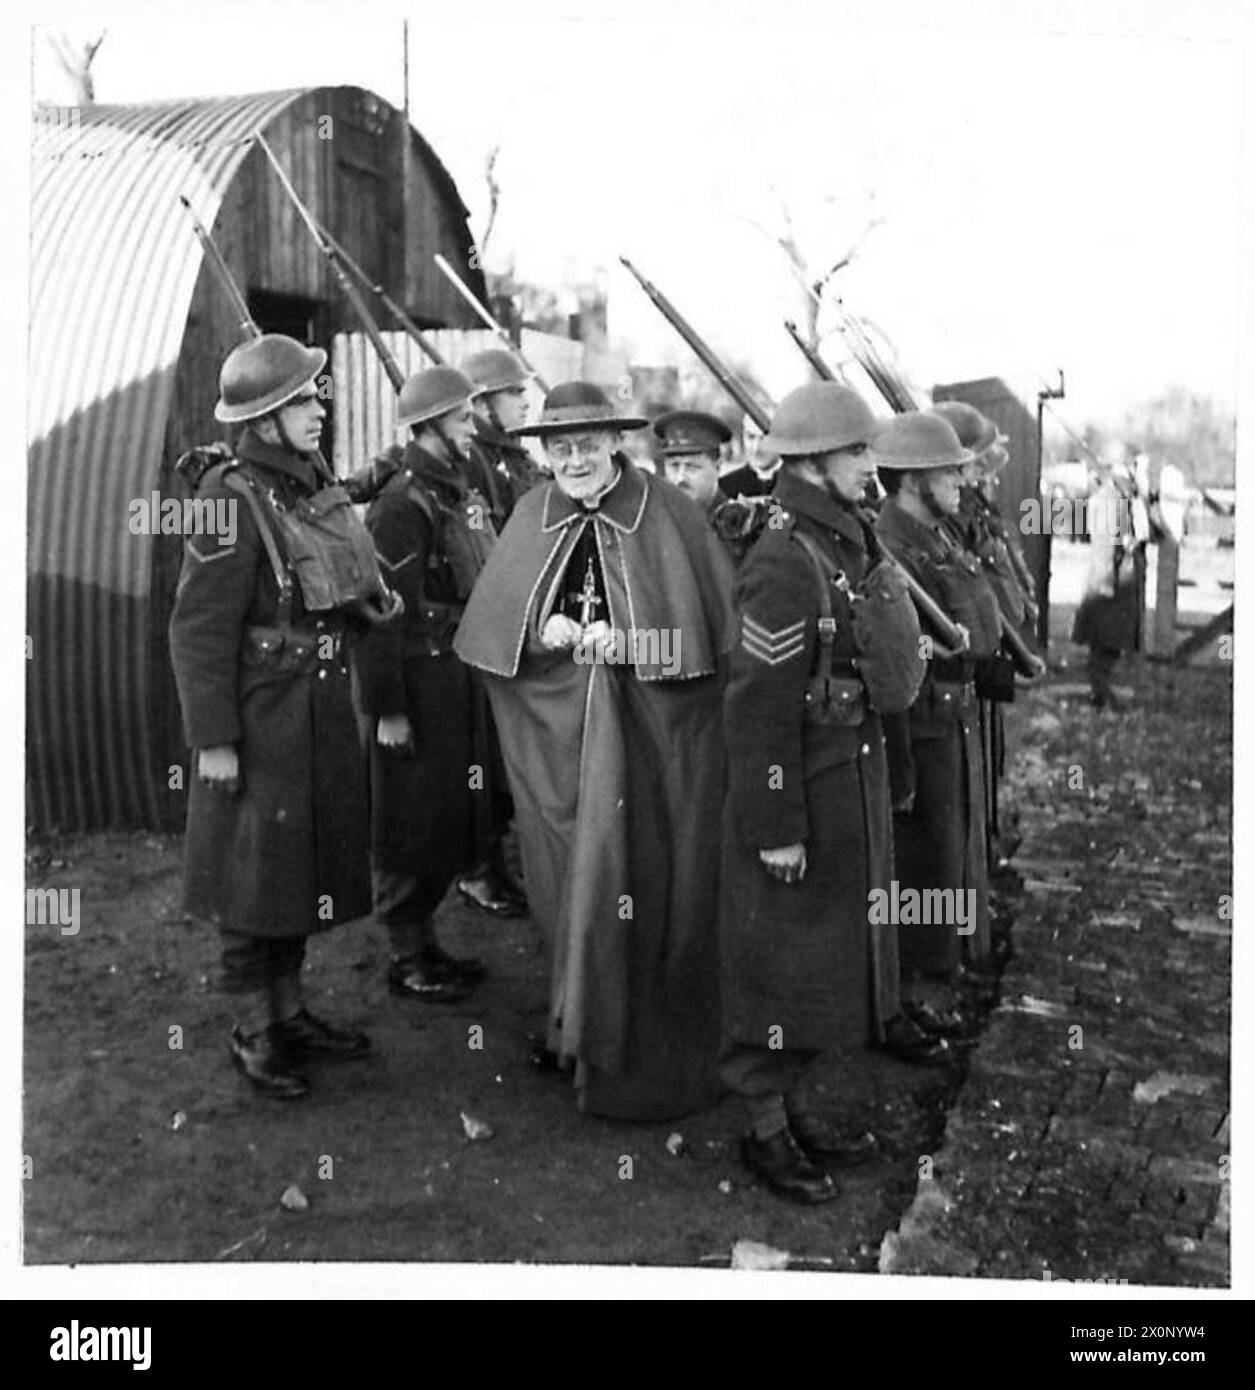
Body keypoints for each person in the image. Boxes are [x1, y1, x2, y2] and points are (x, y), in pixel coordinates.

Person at [454, 381, 735, 1121]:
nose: (573, 460)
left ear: (616, 442)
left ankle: (646, 1050)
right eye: (558, 447)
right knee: (562, 880)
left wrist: (631, 642)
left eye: (586, 444)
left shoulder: (669, 515)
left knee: (646, 880)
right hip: (559, 749)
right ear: (543, 454)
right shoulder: (529, 513)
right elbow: (491, 637)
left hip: (652, 750)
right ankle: (572, 1023)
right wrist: (541, 632)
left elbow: (713, 644)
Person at [720, 383, 952, 1206]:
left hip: (846, 783)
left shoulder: (845, 541)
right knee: (779, 966)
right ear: (814, 460)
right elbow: (756, 706)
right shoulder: (785, 558)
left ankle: (787, 1111)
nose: (871, 465)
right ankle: (763, 1128)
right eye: (857, 452)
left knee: (824, 965)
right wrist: (775, 825)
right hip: (802, 798)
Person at [170, 334, 397, 1100]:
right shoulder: (228, 500)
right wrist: (214, 742)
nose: (319, 409)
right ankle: (253, 1027)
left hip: (320, 710)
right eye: (303, 399)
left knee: (299, 877)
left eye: (317, 395)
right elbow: (197, 629)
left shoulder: (304, 485)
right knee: (251, 882)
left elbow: (323, 587)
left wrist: (369, 605)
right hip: (261, 721)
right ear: (264, 417)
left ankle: (290, 1011)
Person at [352, 366, 519, 1005]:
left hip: (457, 678)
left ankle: (425, 944)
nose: (469, 427)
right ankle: (406, 953)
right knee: (411, 821)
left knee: (450, 817)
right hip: (417, 685)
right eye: (458, 419)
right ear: (427, 426)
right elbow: (378, 617)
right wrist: (388, 710)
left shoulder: (454, 490)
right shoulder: (402, 503)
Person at [873, 412, 1002, 1023]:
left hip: (952, 713)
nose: (961, 479)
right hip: (918, 720)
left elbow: (985, 627)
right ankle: (914, 990)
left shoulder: (938, 535)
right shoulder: (891, 542)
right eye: (948, 469)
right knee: (922, 856)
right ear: (911, 478)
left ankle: (942, 968)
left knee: (948, 851)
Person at [1072, 443, 1148, 710]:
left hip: (1120, 581)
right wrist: (1105, 583)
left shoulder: (1123, 498)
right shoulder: (1109, 499)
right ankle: (1099, 695)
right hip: (1111, 585)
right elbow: (1105, 543)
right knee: (1105, 642)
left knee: (1110, 643)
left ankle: (1101, 692)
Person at [462, 347, 546, 529]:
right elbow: (476, 535)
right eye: (514, 393)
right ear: (481, 404)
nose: (526, 403)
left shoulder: (512, 454)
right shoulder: (469, 460)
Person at [653, 408, 730, 517]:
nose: (680, 478)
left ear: (717, 467)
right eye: (674, 466)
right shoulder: (660, 520)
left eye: (692, 467)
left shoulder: (737, 525)